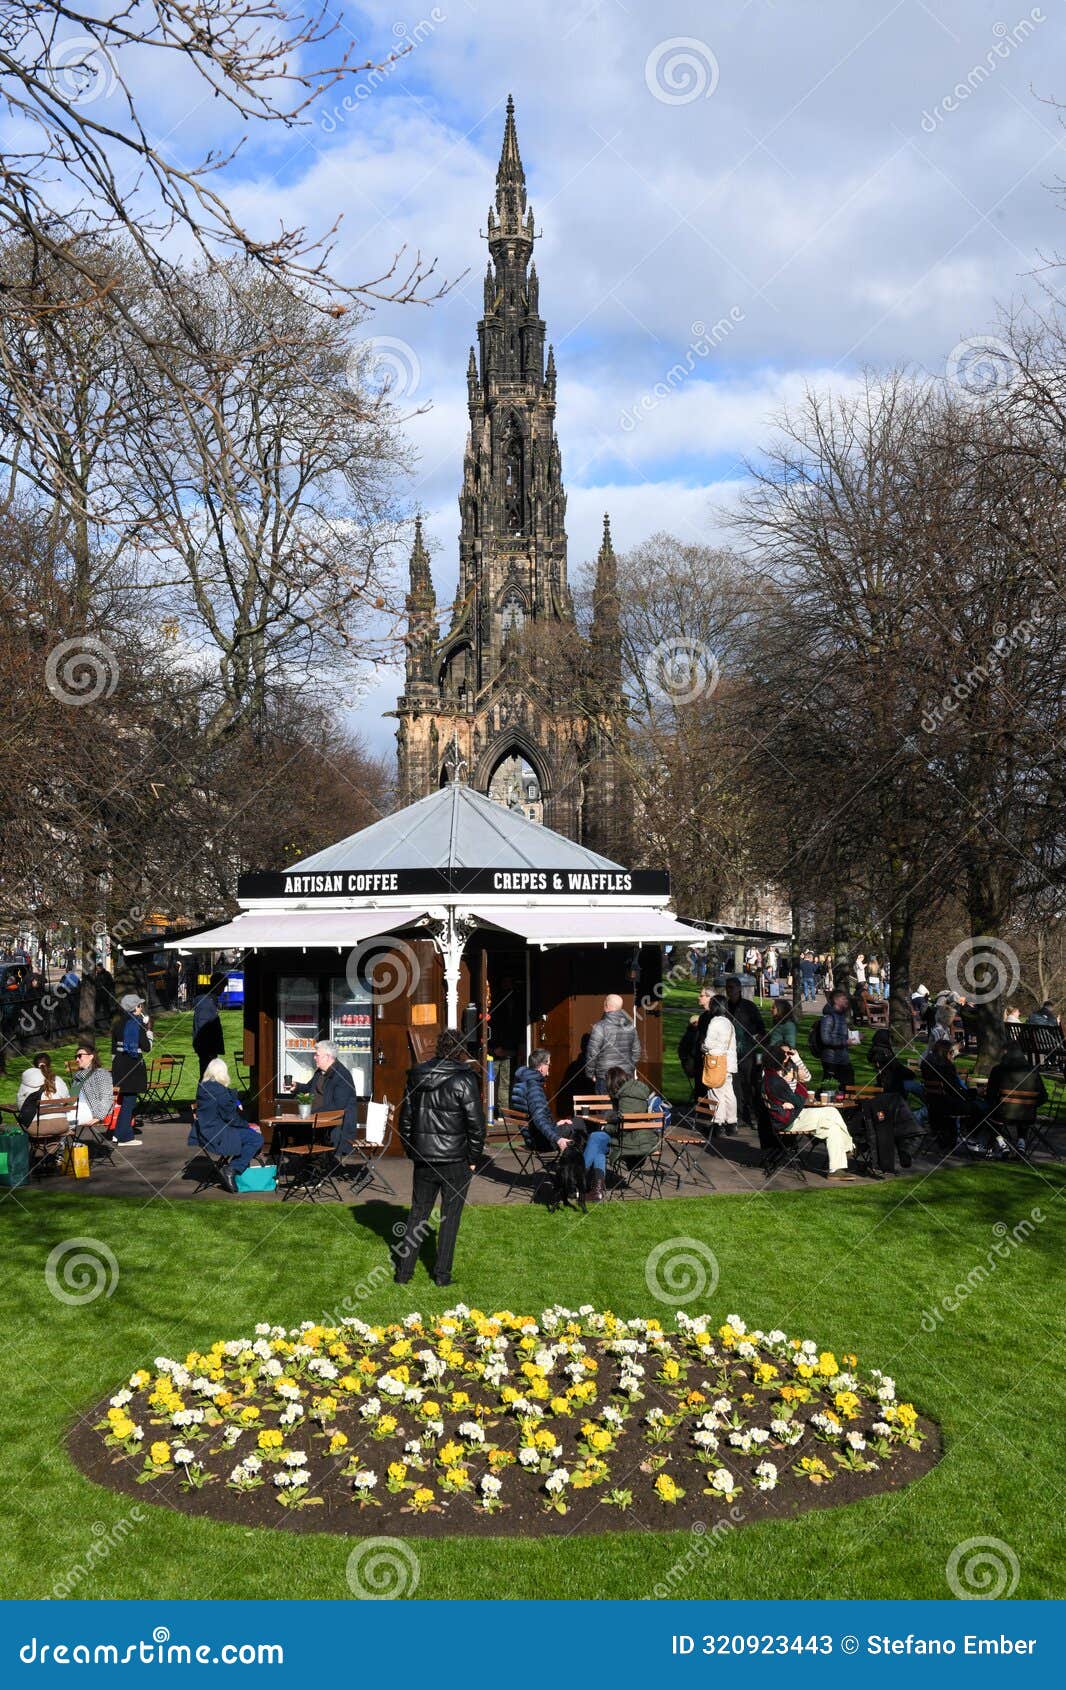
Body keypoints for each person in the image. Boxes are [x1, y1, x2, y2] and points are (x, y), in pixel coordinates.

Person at [394, 1029, 485, 1285]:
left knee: (418, 1214)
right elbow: (476, 1125)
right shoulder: (464, 1079)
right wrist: (473, 1158)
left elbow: (405, 1121)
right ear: (459, 1051)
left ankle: (404, 1273)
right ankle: (442, 1275)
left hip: (426, 1158)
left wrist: (413, 1150)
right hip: (455, 1160)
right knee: (450, 1217)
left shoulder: (418, 1075)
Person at [511, 1047, 612, 1201]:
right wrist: (557, 1139)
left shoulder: (523, 1081)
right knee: (589, 1130)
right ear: (541, 1066)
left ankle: (584, 1184)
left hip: (535, 1135)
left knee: (583, 1127)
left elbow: (538, 1117)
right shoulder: (533, 1087)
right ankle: (580, 1183)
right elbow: (538, 1120)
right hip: (543, 1140)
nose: (549, 1070)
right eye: (549, 1065)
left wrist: (557, 1123)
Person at [761, 1047, 856, 1179]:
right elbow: (800, 1100)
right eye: (785, 1056)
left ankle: (836, 1170)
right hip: (788, 1120)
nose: (787, 1058)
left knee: (832, 1128)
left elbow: (794, 1100)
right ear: (780, 1061)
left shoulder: (769, 1076)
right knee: (831, 1111)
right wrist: (797, 1086)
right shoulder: (776, 1081)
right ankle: (848, 1147)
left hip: (789, 1116)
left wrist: (789, 1100)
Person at [190, 1058, 263, 1193]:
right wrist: (247, 1125)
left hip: (203, 1131)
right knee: (256, 1138)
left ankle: (235, 1168)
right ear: (223, 1073)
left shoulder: (203, 1087)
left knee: (248, 1137)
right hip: (218, 1135)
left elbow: (225, 1096)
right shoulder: (219, 1091)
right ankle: (232, 1169)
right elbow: (231, 1118)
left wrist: (235, 1100)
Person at [287, 1040, 360, 1160]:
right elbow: (310, 1087)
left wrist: (312, 1115)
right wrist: (297, 1087)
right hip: (317, 1119)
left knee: (294, 1130)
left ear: (327, 1057)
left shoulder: (341, 1075)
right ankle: (290, 1163)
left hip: (335, 1124)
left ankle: (306, 1164)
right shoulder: (320, 1072)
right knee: (283, 1129)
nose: (314, 1057)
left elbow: (338, 1106)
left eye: (317, 1055)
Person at [982, 1046, 1048, 1156]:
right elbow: (1043, 1097)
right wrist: (1031, 1105)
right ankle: (1021, 1143)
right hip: (1027, 1116)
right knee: (1019, 1114)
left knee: (989, 1112)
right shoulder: (1032, 1071)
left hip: (1002, 1115)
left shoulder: (998, 1070)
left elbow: (990, 1096)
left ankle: (1002, 1143)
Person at [722, 975, 766, 1128]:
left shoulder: (749, 1007)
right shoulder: (725, 1007)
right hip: (731, 1052)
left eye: (732, 988)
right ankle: (738, 1115)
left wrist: (757, 1037)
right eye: (727, 988)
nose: (729, 991)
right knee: (735, 1085)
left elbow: (761, 1027)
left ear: (739, 989)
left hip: (748, 1050)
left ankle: (752, 1115)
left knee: (749, 1083)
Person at [111, 993, 152, 1144]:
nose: (142, 1008)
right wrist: (149, 1031)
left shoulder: (117, 1025)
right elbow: (147, 1047)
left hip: (119, 1065)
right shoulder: (138, 1025)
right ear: (135, 1008)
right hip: (133, 1065)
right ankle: (124, 1137)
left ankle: (119, 1132)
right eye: (140, 1005)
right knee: (129, 1101)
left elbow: (113, 1049)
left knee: (126, 1100)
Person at [603, 1064, 660, 1171]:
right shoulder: (638, 1091)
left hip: (633, 1145)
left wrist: (606, 1128)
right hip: (648, 1141)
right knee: (597, 1140)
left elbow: (623, 1129)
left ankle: (593, 1179)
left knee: (597, 1140)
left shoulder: (626, 1098)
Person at [584, 995, 640, 1094]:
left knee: (606, 1108)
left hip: (605, 1077)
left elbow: (592, 1054)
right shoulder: (631, 1027)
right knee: (625, 1107)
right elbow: (636, 1052)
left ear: (607, 1006)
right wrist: (629, 1067)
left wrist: (590, 1074)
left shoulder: (599, 1027)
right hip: (626, 1076)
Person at [700, 994, 738, 1132]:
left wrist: (702, 1046)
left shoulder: (715, 1021)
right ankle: (732, 1122)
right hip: (729, 1063)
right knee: (729, 1093)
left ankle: (718, 1123)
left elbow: (709, 1043)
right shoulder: (729, 1023)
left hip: (716, 1062)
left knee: (716, 1093)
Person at [678, 984, 713, 1102]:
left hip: (711, 1060)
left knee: (710, 1091)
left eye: (701, 995)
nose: (699, 997)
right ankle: (702, 1113)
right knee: (700, 1090)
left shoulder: (714, 1017)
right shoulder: (703, 1017)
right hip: (698, 1060)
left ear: (709, 998)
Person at [72, 1041, 115, 1136]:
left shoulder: (100, 1073)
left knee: (55, 1120)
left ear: (91, 1056)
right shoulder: (78, 1076)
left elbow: (107, 1097)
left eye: (79, 1056)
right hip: (74, 1109)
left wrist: (98, 1117)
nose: (77, 1060)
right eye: (75, 1057)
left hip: (91, 1112)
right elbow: (72, 1097)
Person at [818, 988, 855, 1091]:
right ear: (836, 1001)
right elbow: (825, 1039)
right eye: (844, 999)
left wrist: (854, 1038)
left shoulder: (841, 1016)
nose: (846, 1001)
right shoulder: (829, 1017)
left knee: (847, 1085)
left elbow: (840, 1035)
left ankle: (849, 1105)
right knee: (828, 1087)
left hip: (842, 1058)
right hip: (831, 1059)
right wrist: (845, 1042)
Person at [192, 974, 226, 1079]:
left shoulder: (209, 1001)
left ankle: (205, 1094)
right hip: (207, 1049)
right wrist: (209, 1051)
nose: (223, 991)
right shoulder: (207, 1003)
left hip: (208, 1048)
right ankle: (204, 1094)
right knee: (207, 1076)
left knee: (208, 1076)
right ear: (218, 986)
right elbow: (203, 1027)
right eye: (223, 987)